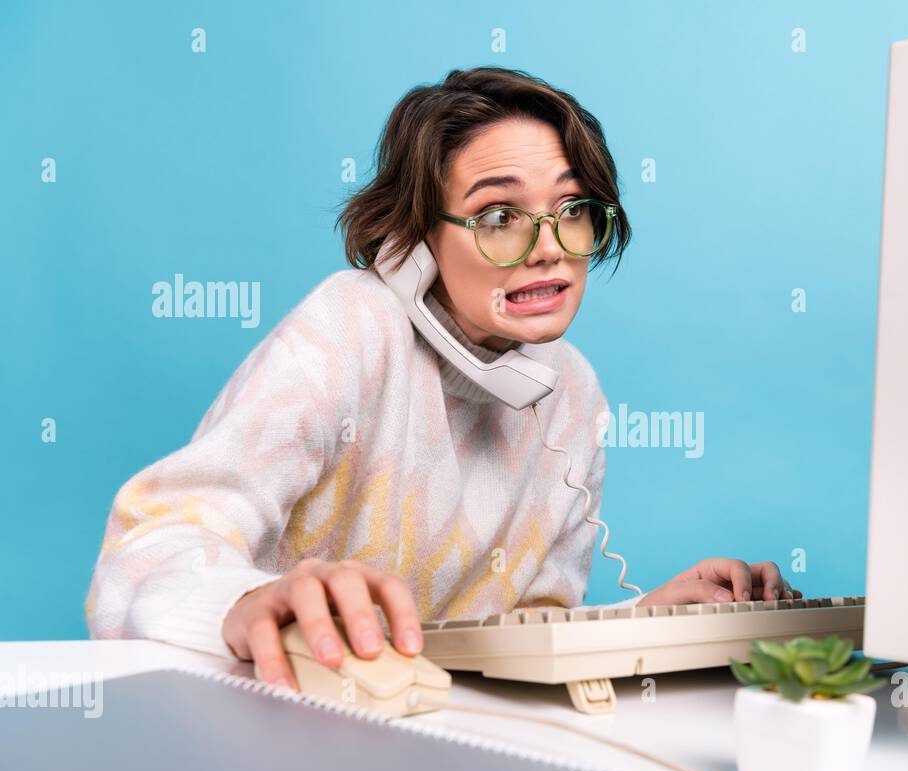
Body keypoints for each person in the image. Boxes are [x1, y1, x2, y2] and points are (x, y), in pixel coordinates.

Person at [86, 67, 799, 689]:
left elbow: (512, 641)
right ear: (419, 240)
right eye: (498, 215)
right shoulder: (350, 328)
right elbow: (144, 553)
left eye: (573, 210)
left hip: (433, 750)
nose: (549, 250)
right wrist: (241, 606)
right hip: (268, 718)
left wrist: (643, 621)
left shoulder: (570, 392)